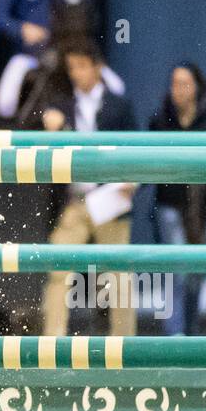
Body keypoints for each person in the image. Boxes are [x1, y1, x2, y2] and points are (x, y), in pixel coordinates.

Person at [38, 42, 138, 336]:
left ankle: (125, 346)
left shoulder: (120, 105)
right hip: (76, 201)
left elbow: (136, 149)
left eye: (82, 66)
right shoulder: (61, 104)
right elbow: (37, 130)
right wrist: (51, 126)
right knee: (58, 270)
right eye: (72, 68)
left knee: (119, 277)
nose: (76, 73)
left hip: (110, 200)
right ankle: (52, 343)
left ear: (97, 67)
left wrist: (132, 182)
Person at [148, 62, 206, 336]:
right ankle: (174, 333)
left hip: (203, 208)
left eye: (185, 83)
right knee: (177, 267)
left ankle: (190, 328)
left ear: (197, 86)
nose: (179, 89)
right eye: (175, 83)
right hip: (170, 204)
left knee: (195, 271)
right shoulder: (160, 119)